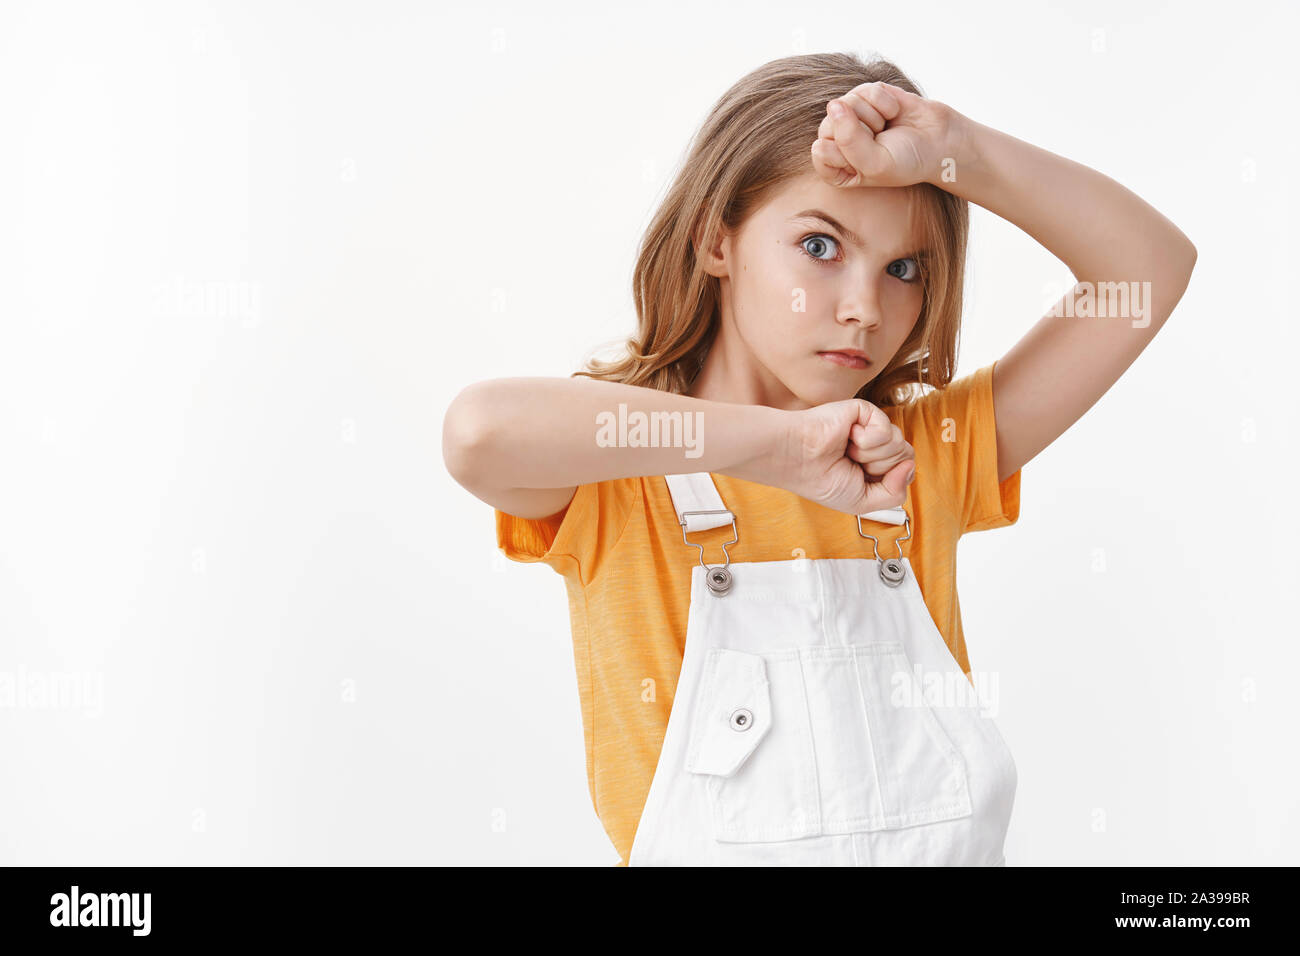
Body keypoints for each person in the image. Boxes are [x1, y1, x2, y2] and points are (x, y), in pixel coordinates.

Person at [442, 51, 1197, 866]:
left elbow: (1149, 270)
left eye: (903, 269)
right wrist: (778, 447)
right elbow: (478, 432)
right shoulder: (620, 470)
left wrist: (954, 149)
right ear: (714, 239)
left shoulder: (926, 457)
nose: (866, 310)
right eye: (820, 245)